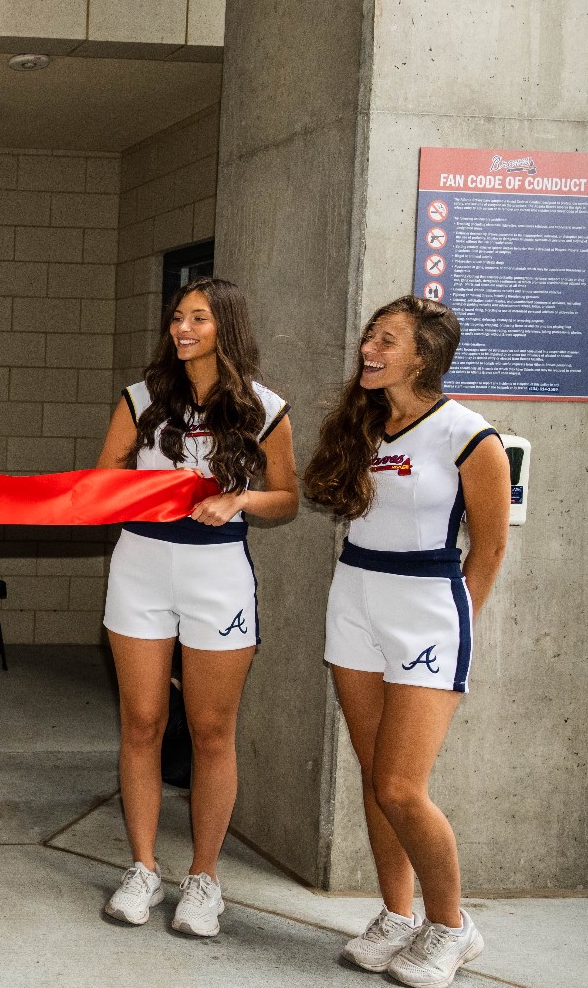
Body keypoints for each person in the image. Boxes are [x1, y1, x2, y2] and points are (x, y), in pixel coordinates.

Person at [305, 296, 508, 987]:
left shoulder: (470, 435)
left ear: (424, 356)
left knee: (400, 785)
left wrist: (456, 625)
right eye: (370, 334)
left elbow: (488, 548)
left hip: (427, 609)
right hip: (355, 598)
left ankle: (452, 926)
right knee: (372, 775)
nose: (369, 345)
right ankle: (396, 916)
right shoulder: (364, 425)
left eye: (387, 339)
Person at [94, 277, 298, 937]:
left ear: (227, 328)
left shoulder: (264, 407)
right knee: (143, 723)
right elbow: (102, 484)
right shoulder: (140, 398)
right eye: (178, 317)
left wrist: (238, 499)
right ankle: (144, 867)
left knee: (211, 731)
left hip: (217, 574)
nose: (183, 329)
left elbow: (287, 497)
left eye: (199, 319)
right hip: (141, 568)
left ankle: (204, 878)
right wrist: (140, 492)